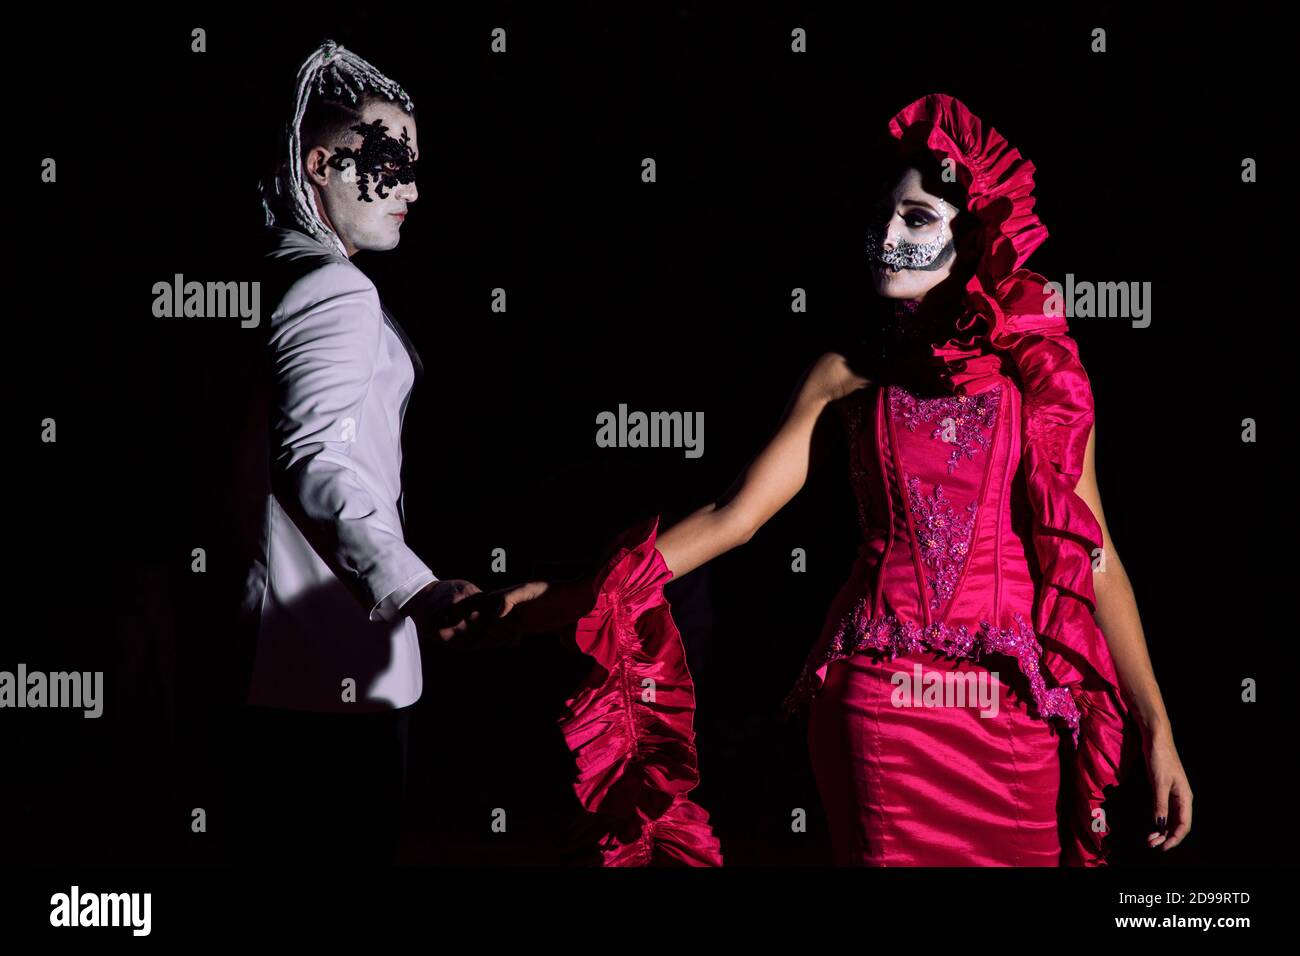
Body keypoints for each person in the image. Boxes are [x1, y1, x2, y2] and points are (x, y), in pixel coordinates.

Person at [496, 93, 1192, 866]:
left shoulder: (1040, 379)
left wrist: (1158, 729)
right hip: (881, 706)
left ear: (977, 234)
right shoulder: (845, 377)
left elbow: (1097, 563)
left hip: (1016, 716)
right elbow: (733, 516)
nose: (887, 238)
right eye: (882, 218)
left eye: (918, 218)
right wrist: (576, 595)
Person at [230, 40, 484, 866]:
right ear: (318, 164)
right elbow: (315, 461)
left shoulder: (267, 270)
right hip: (324, 659)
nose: (411, 187)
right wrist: (413, 586)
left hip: (261, 656)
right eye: (387, 162)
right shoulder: (334, 287)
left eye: (414, 165)